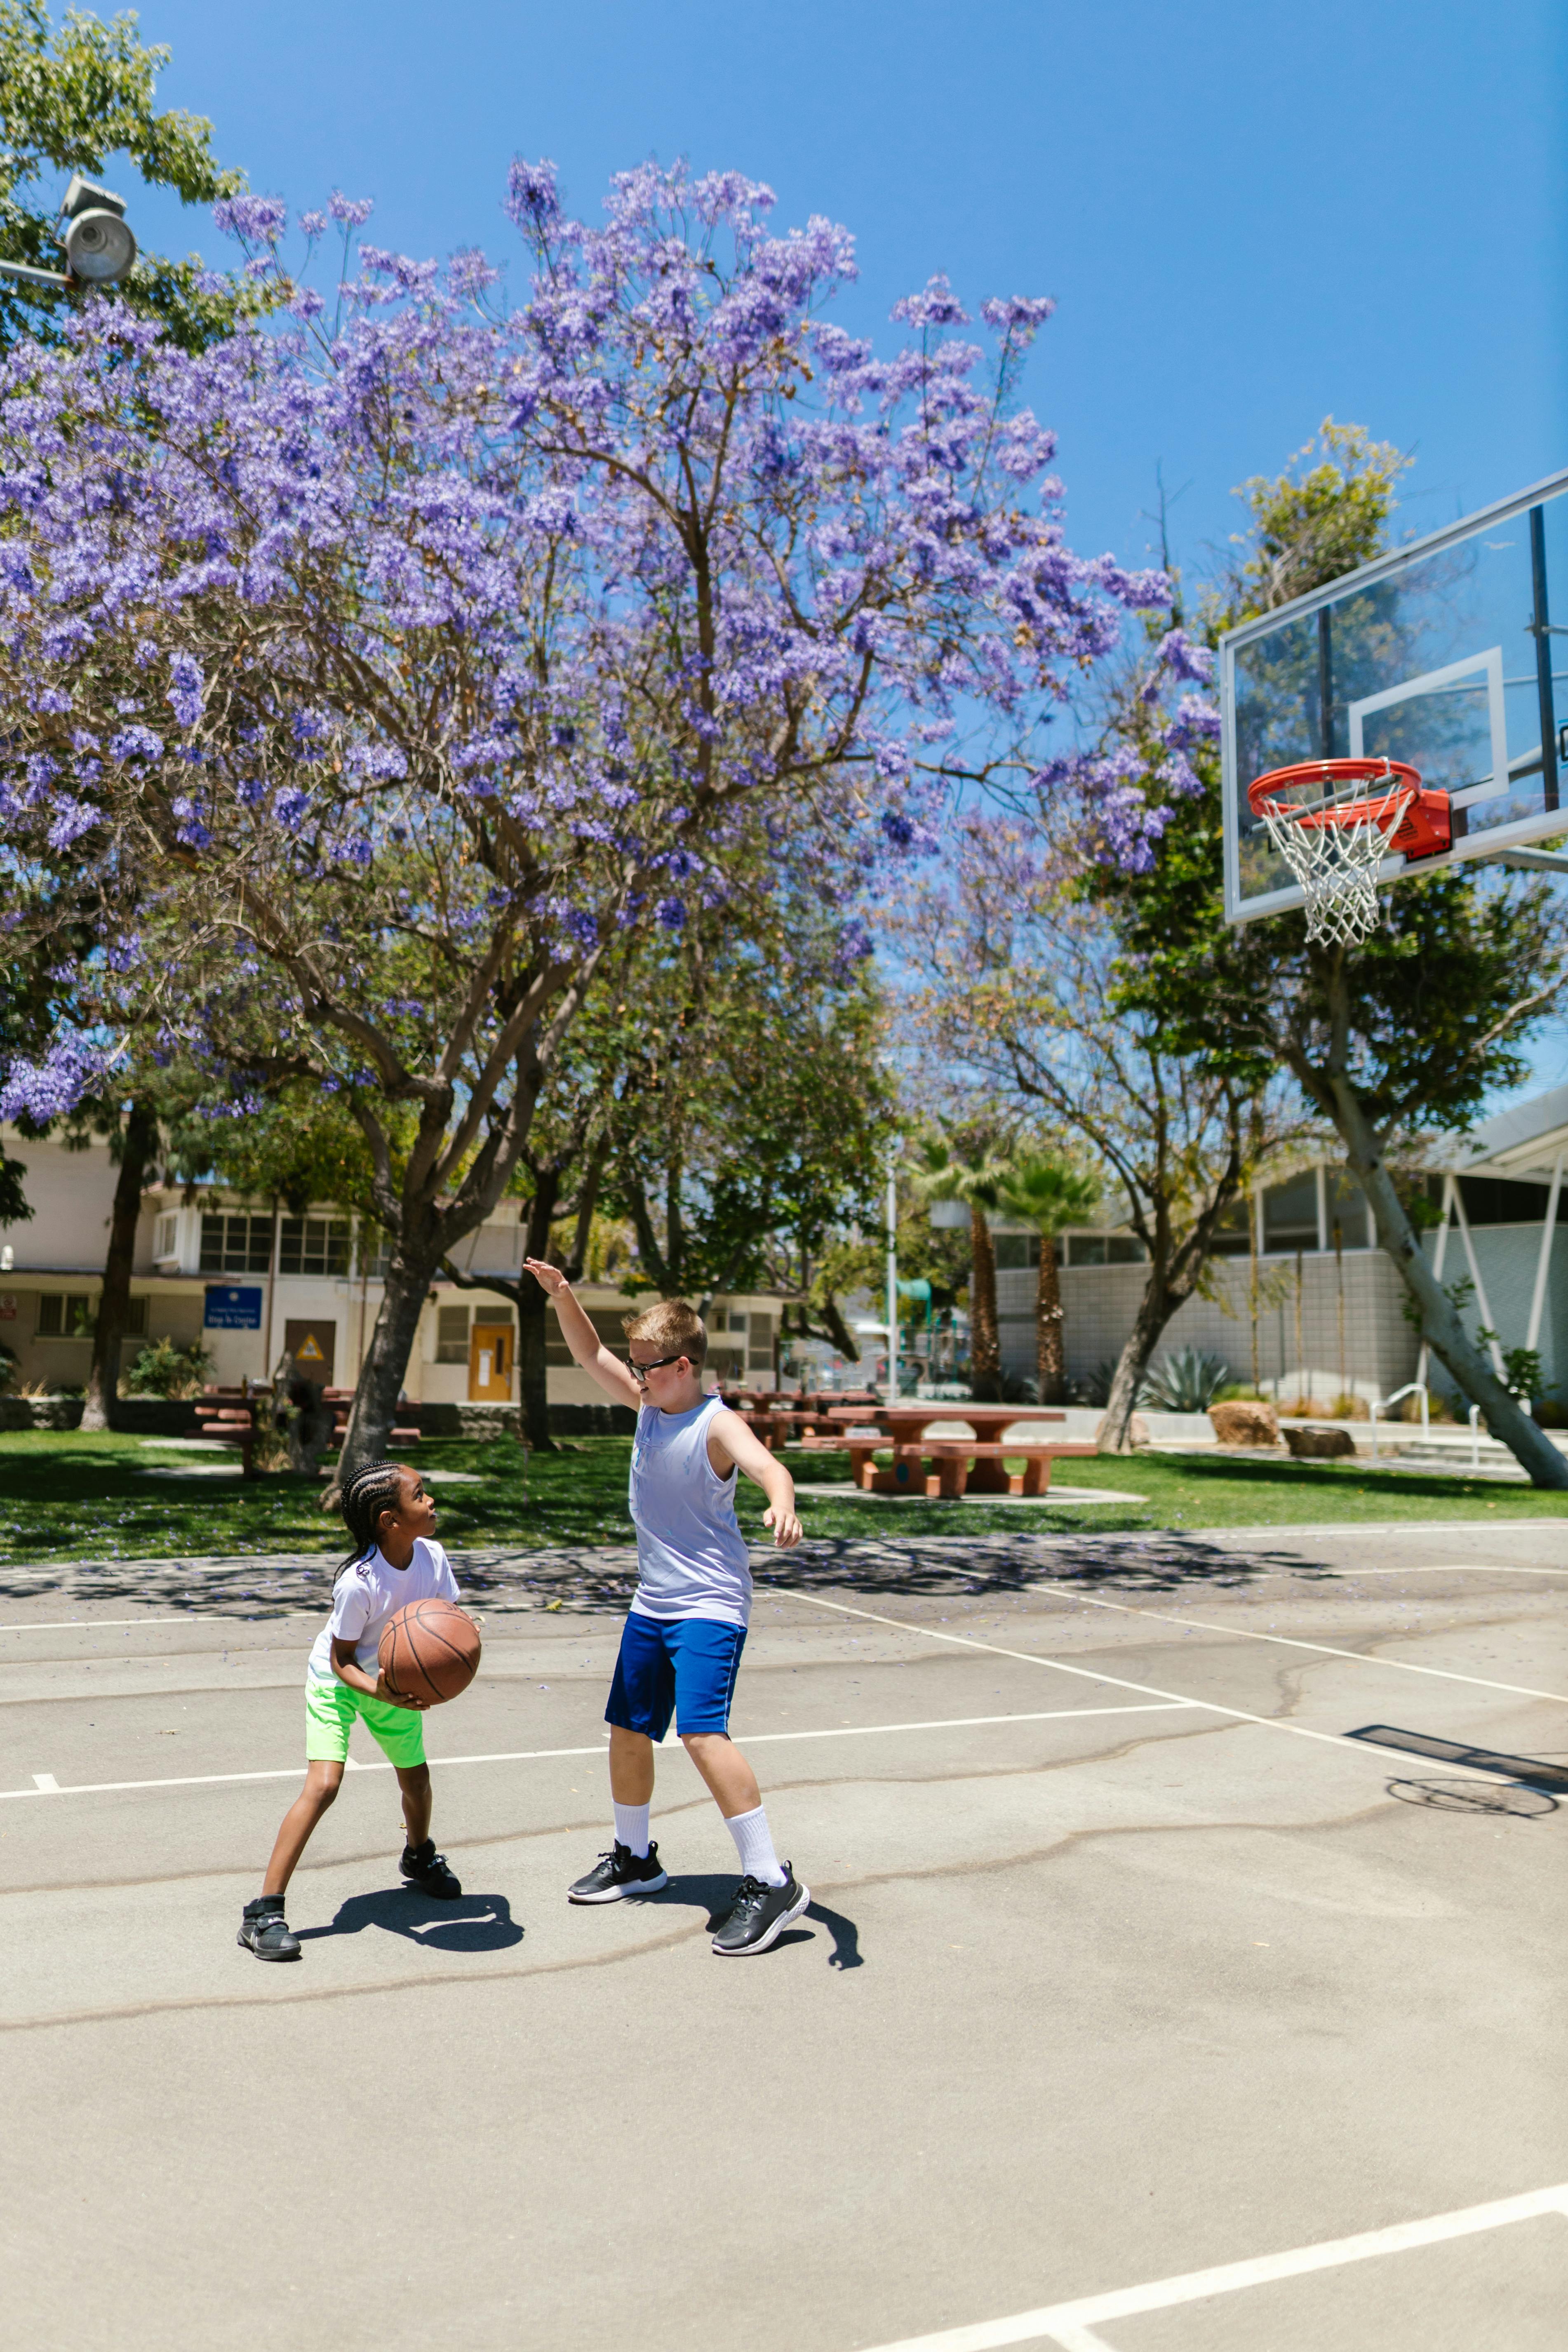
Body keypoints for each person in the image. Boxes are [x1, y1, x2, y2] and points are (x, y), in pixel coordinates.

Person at [524, 1265, 809, 1957]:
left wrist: (783, 1500)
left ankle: (769, 1877)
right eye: (638, 1367)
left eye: (649, 1366)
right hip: (653, 1599)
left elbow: (770, 1466)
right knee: (627, 1728)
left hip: (710, 1602)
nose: (637, 1376)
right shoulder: (651, 1406)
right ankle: (635, 1858)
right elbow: (591, 1354)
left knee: (702, 1734)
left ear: (684, 1365)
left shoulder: (717, 1422)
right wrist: (564, 1296)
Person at [237, 1461, 464, 1961]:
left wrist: (451, 1659)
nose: (431, 1502)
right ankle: (263, 1912)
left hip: (391, 1679)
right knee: (324, 1785)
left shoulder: (432, 1557)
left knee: (417, 1779)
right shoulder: (359, 1582)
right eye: (420, 1495)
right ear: (389, 1519)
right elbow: (341, 1659)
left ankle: (419, 1857)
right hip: (339, 1680)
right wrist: (378, 1692)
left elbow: (446, 1621)